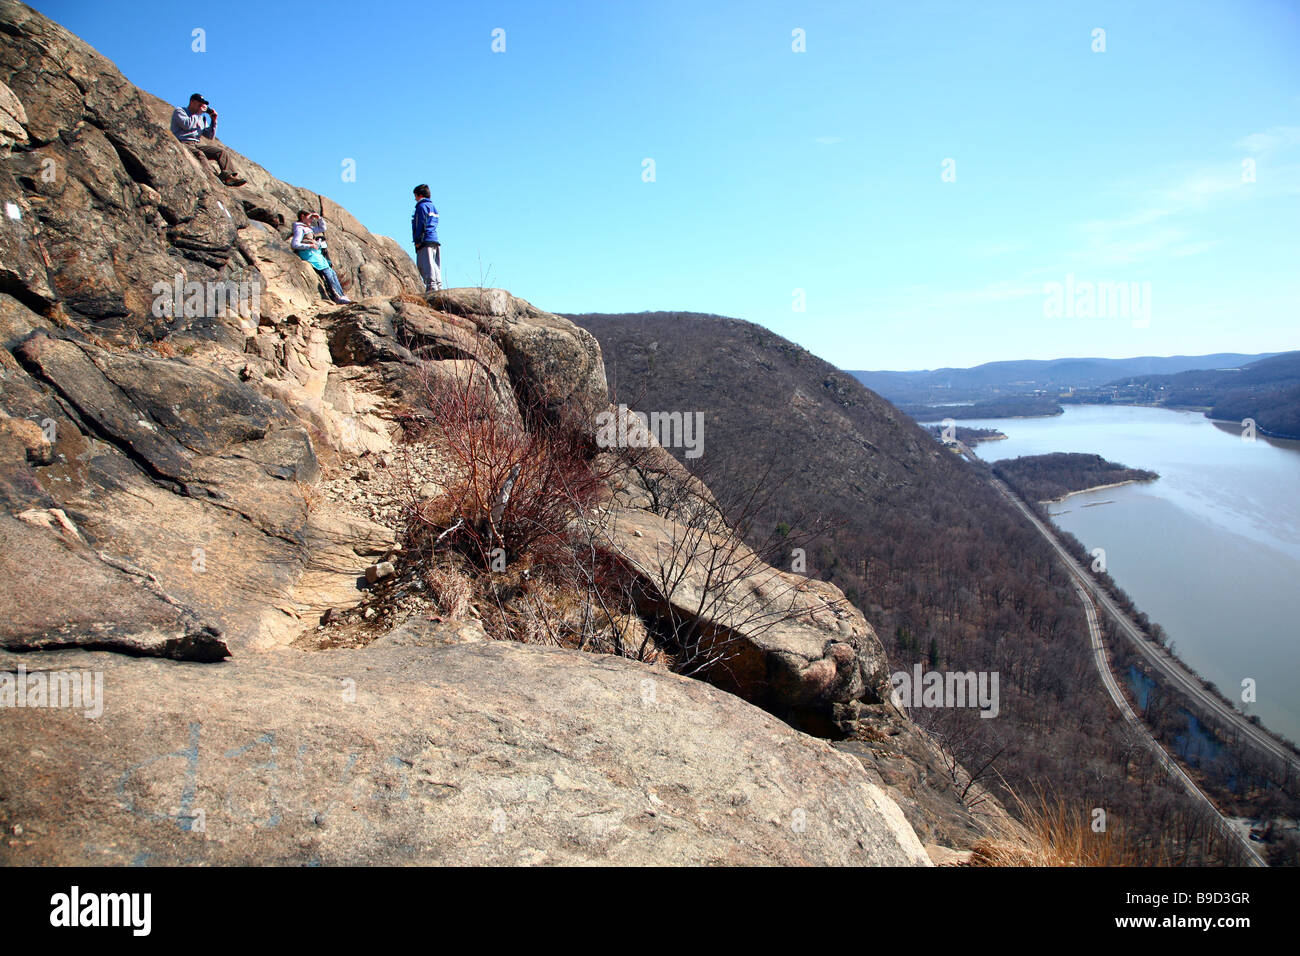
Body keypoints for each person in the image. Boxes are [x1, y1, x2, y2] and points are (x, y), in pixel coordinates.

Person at [170, 93, 246, 187]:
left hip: (196, 143)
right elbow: (187, 125)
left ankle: (229, 176)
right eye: (199, 103)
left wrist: (213, 121)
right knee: (200, 154)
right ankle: (212, 178)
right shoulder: (180, 111)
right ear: (192, 102)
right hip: (182, 143)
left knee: (221, 152)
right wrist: (198, 114)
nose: (202, 106)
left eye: (203, 104)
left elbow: (210, 136)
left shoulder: (201, 117)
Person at [291, 210, 351, 304]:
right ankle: (338, 296)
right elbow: (295, 244)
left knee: (332, 273)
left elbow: (323, 228)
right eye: (310, 217)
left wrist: (319, 218)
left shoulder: (308, 228)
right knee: (328, 273)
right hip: (308, 254)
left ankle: (341, 295)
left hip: (315, 254)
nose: (312, 219)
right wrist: (309, 245)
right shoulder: (299, 228)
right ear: (302, 216)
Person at [411, 184, 441, 292]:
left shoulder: (421, 206)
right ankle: (438, 286)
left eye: (415, 196)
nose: (415, 199)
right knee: (434, 264)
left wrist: (418, 240)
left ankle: (431, 288)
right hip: (434, 239)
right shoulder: (434, 207)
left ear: (419, 195)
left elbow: (420, 224)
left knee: (425, 265)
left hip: (425, 240)